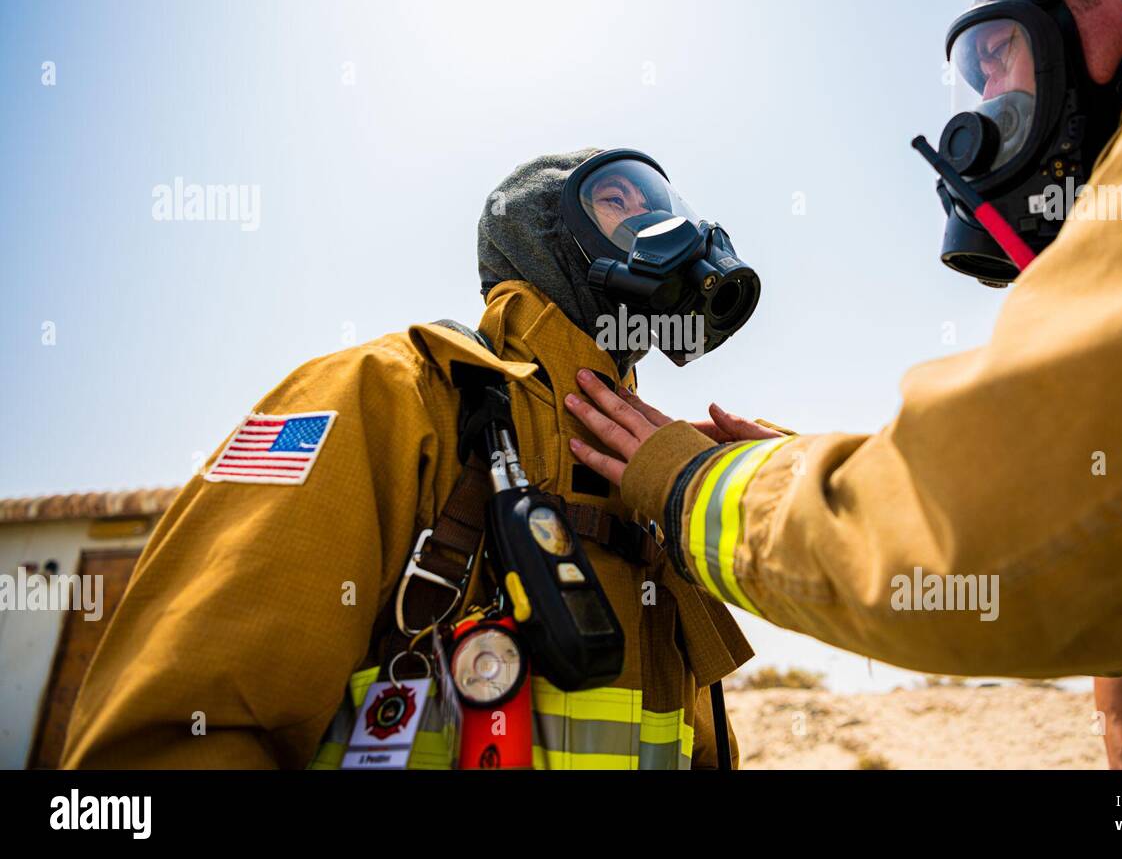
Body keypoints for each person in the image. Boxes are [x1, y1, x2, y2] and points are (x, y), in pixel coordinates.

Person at [564, 0, 1122, 764]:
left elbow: (1005, 539)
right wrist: (819, 467)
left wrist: (696, 487)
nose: (986, 108)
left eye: (999, 58)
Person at [61, 148, 756, 770]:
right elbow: (182, 732)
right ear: (547, 238)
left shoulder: (658, 474)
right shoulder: (381, 394)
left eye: (657, 205)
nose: (651, 220)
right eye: (617, 202)